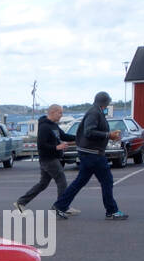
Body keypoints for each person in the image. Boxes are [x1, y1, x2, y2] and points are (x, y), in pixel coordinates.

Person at [53, 91, 128, 221]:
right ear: (104, 103)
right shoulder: (95, 113)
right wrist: (108, 135)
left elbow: (91, 132)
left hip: (88, 153)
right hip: (93, 155)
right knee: (107, 181)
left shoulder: (95, 111)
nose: (108, 105)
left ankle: (60, 206)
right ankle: (112, 211)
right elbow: (89, 131)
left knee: (80, 181)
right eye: (108, 103)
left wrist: (109, 135)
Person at [15, 105, 78, 214]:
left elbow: (64, 136)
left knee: (43, 184)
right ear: (53, 112)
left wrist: (79, 137)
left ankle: (21, 202)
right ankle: (61, 207)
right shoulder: (44, 127)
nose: (61, 116)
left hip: (51, 159)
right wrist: (56, 147)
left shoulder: (54, 126)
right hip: (48, 159)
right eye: (60, 113)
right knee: (61, 181)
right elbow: (41, 145)